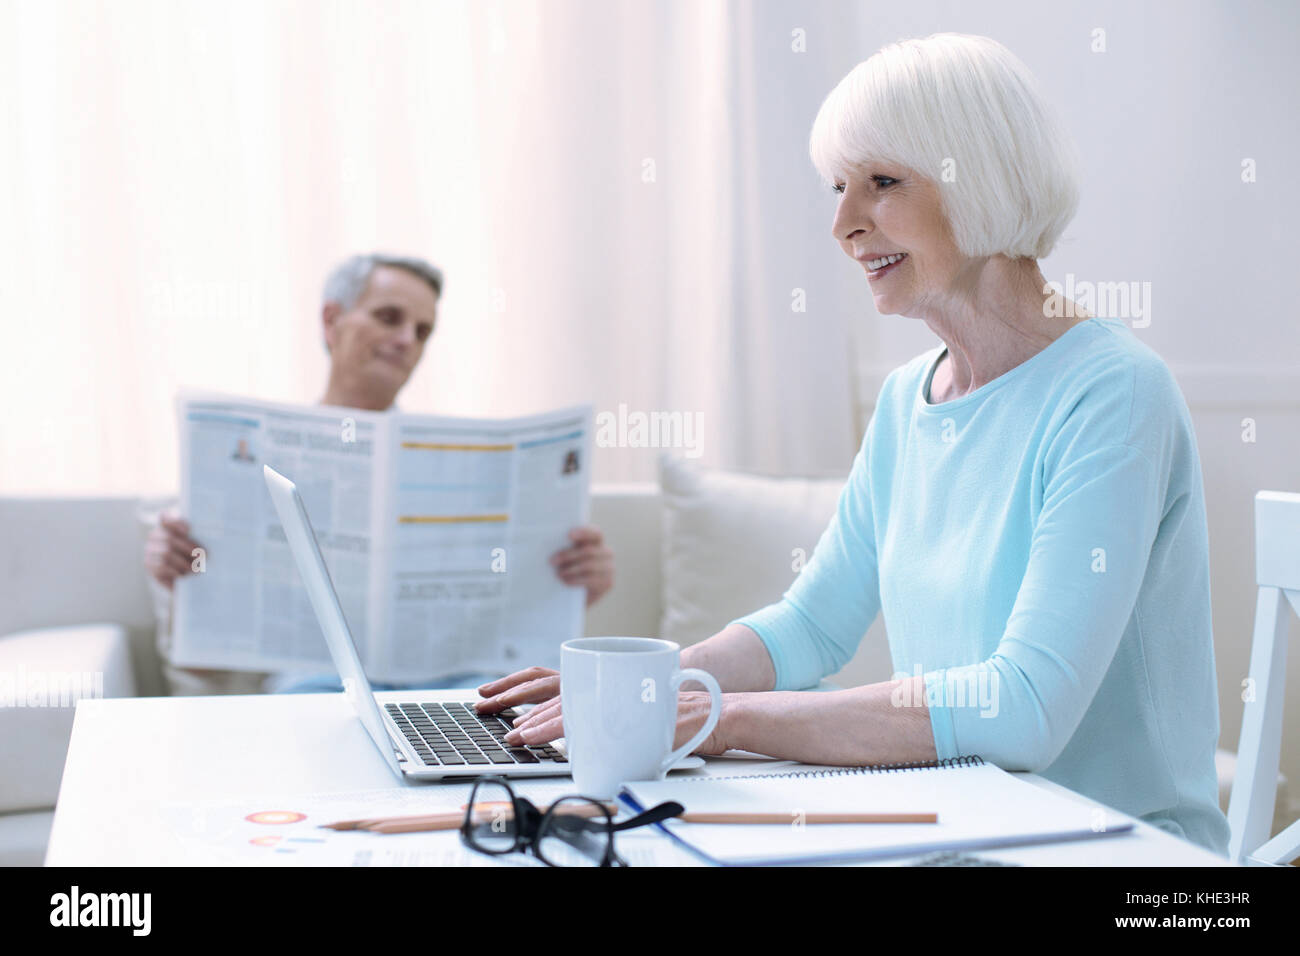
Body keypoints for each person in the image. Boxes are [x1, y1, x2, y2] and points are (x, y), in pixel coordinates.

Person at [475, 34, 1232, 856]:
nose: (842, 223)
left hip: (1116, 854)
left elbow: (1023, 710)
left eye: (882, 183)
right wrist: (644, 687)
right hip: (958, 837)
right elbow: (811, 626)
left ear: (980, 176)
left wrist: (720, 719)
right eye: (839, 187)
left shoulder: (1113, 392)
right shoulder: (911, 400)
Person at [143, 253, 614, 695]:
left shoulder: (467, 462)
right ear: (331, 321)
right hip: (318, 695)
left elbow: (521, 639)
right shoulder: (256, 463)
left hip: (458, 691)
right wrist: (181, 579)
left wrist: (569, 589)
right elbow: (205, 668)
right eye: (389, 317)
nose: (408, 339)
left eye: (423, 330)